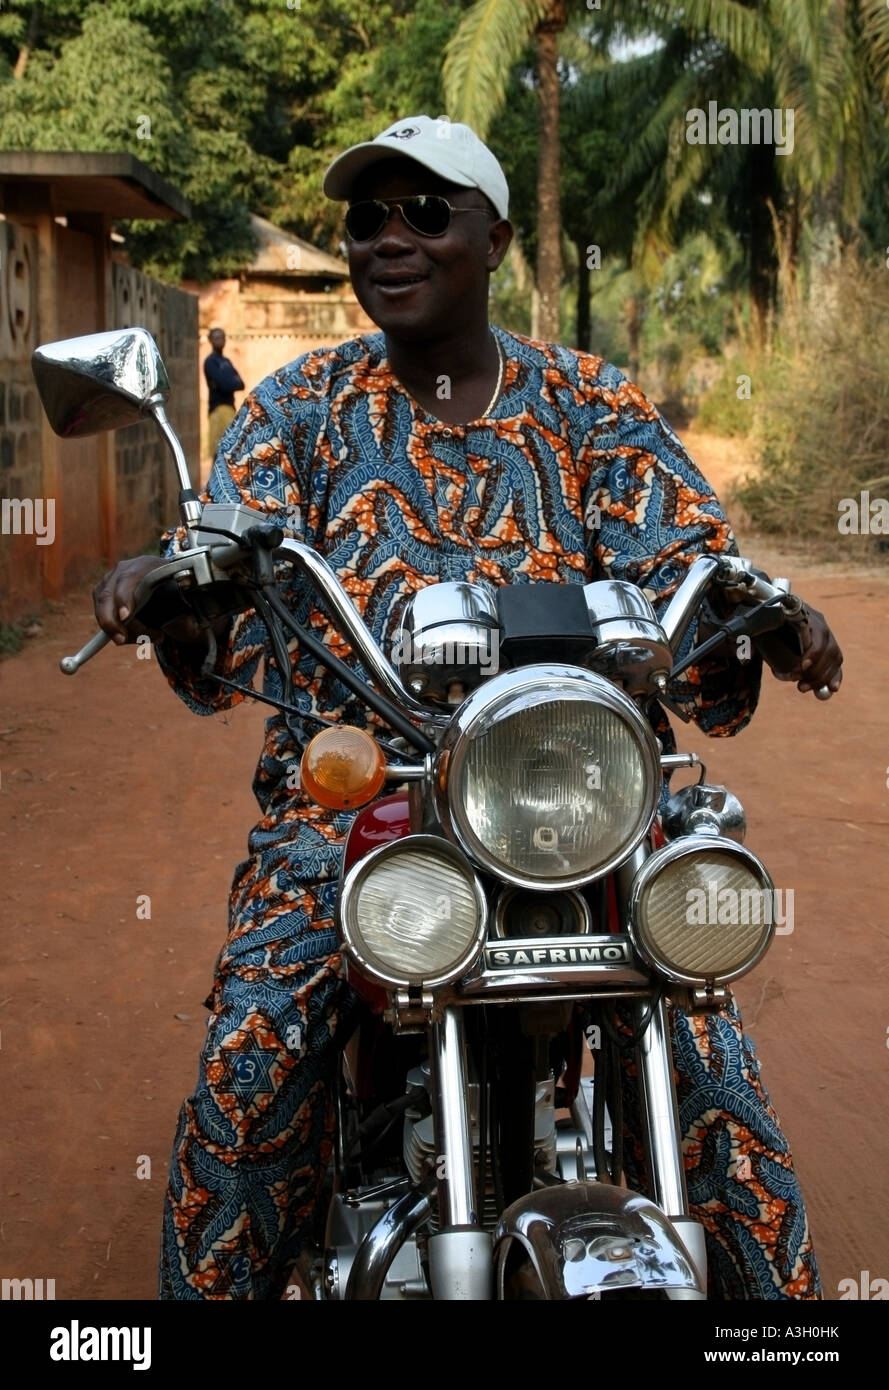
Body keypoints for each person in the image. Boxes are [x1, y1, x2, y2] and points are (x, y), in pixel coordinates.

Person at [93, 115, 843, 1301]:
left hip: (583, 806)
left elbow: (692, 554)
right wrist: (174, 579)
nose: (386, 239)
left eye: (423, 214)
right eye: (365, 218)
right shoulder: (298, 409)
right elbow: (225, 554)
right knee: (257, 1052)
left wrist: (762, 610)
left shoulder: (592, 404)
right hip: (358, 811)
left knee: (711, 1067)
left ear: (493, 236)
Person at [203, 326, 244, 462]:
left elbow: (240, 384)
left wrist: (226, 382)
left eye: (222, 337)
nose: (220, 340)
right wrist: (228, 381)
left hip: (230, 408)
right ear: (210, 340)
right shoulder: (210, 362)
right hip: (217, 409)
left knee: (232, 449)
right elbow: (227, 384)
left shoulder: (226, 362)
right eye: (216, 338)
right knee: (219, 450)